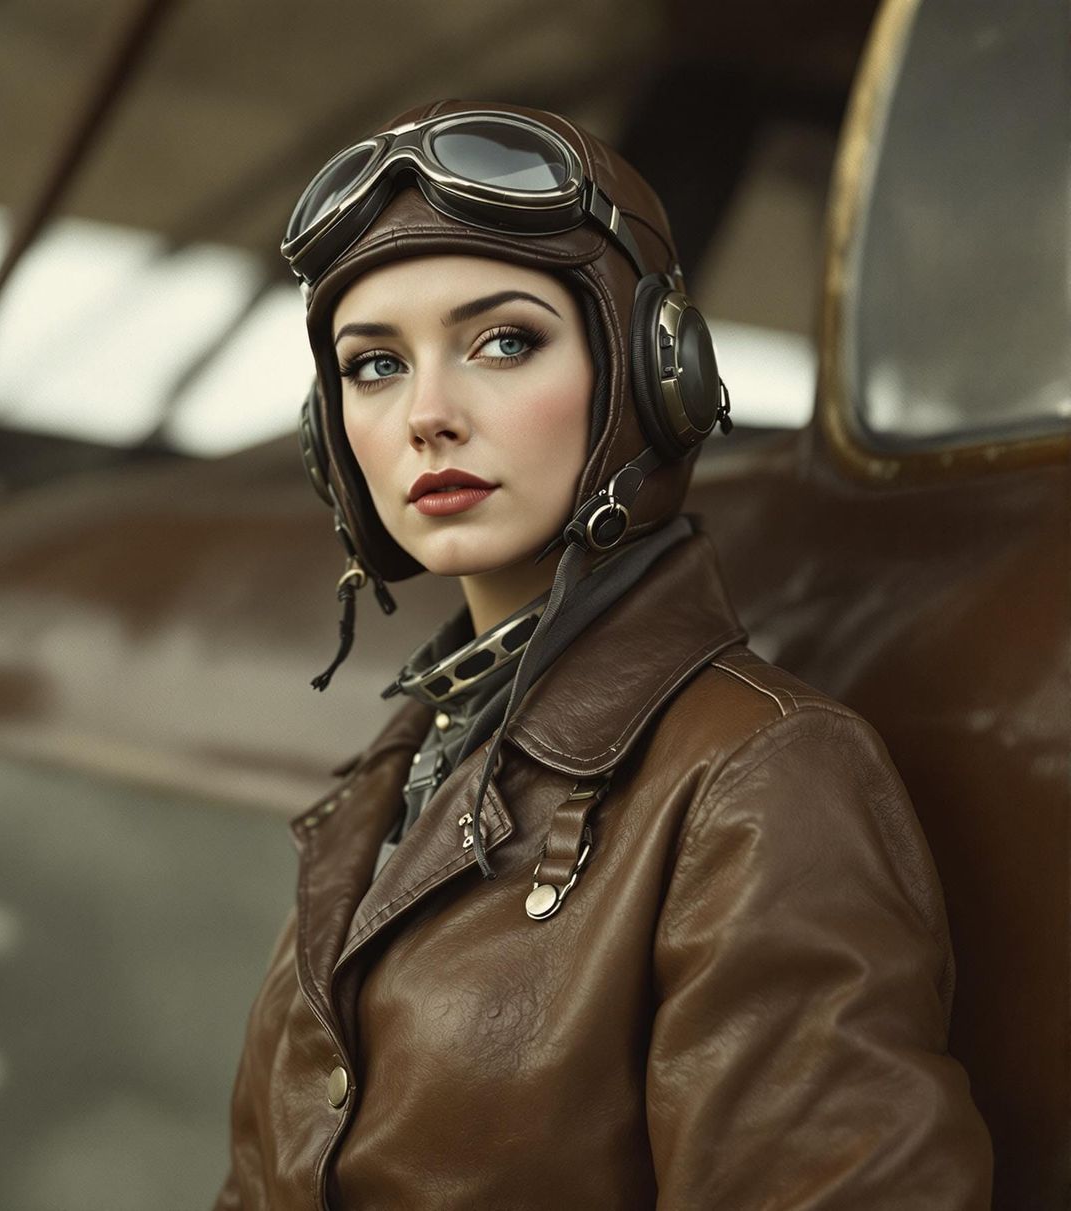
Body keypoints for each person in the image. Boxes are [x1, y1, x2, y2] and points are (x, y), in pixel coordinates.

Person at [215, 101, 992, 1209]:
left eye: (504, 341)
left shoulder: (757, 776)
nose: (427, 413)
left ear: (650, 373)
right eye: (374, 364)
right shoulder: (400, 773)